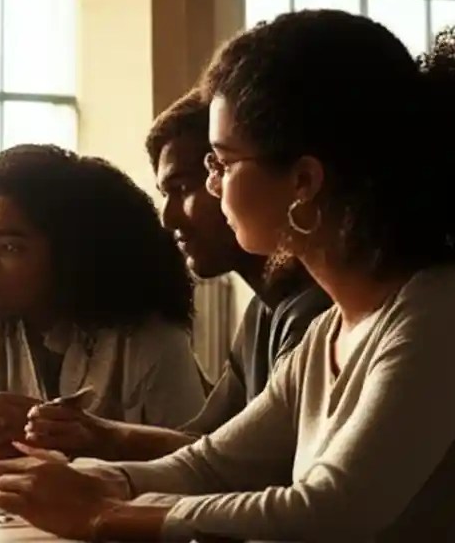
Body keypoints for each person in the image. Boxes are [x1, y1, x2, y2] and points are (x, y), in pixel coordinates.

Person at [0, 12, 455, 542]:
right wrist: (90, 479)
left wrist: (103, 514)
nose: (211, 188)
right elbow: (210, 464)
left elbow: (332, 510)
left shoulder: (443, 309)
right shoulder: (330, 332)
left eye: (223, 164)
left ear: (303, 181)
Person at [22, 92, 331, 461]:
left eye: (184, 188)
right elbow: (204, 442)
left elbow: (256, 465)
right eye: (164, 194)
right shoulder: (261, 312)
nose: (167, 220)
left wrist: (102, 438)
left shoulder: (316, 308)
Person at [0, 144, 208, 467]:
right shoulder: (3, 336)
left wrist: (98, 441)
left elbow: (201, 466)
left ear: (74, 256)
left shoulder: (151, 342)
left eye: (10, 246)